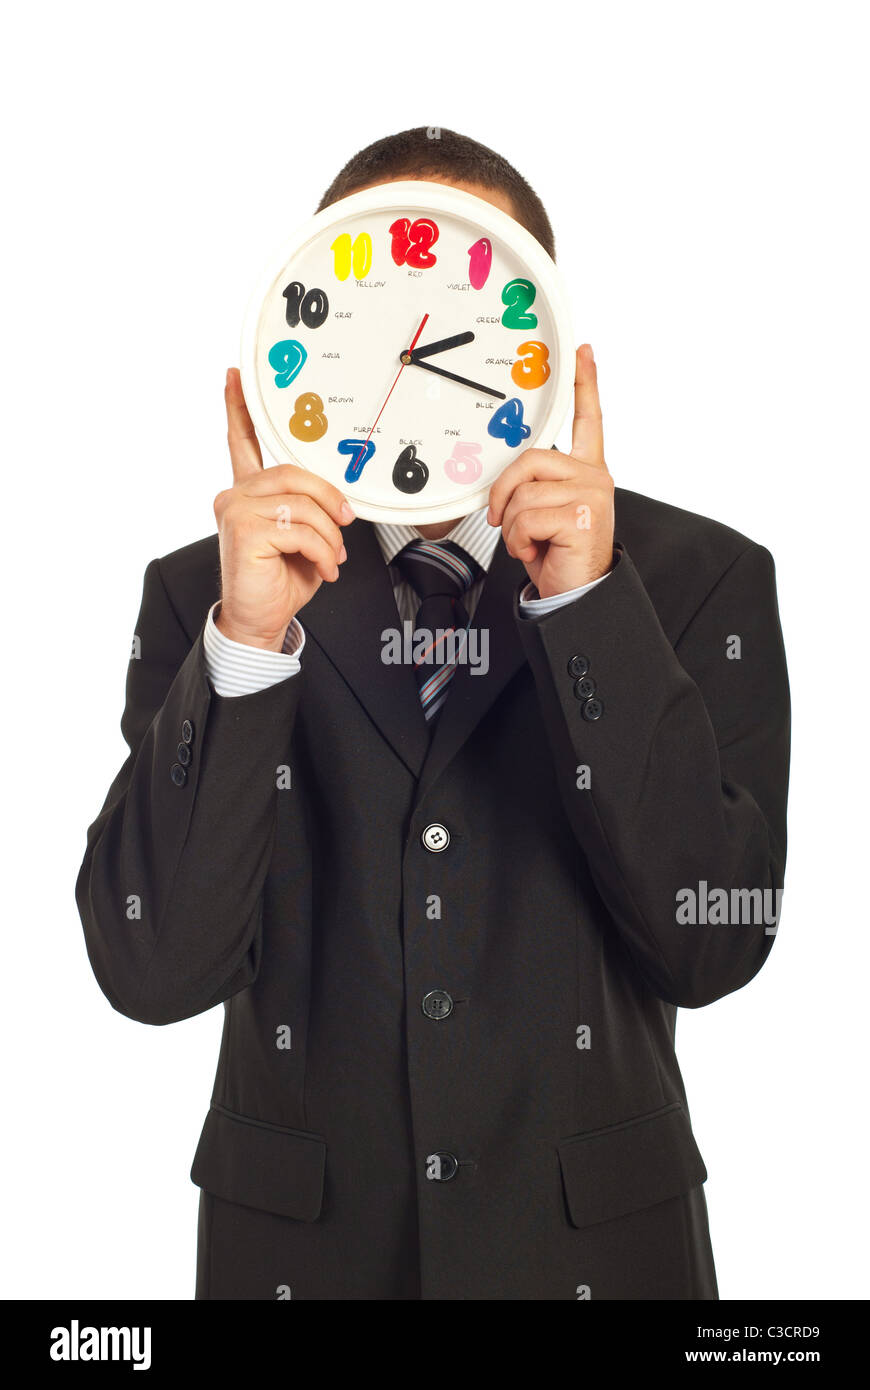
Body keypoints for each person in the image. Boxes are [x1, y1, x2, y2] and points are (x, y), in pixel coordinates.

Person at [76, 127, 790, 1301]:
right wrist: (248, 645)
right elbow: (152, 968)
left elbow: (710, 943)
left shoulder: (698, 578)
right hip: (303, 1263)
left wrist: (591, 607)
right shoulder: (202, 596)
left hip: (593, 1263)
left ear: (545, 350)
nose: (405, 351)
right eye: (373, 318)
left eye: (451, 312)